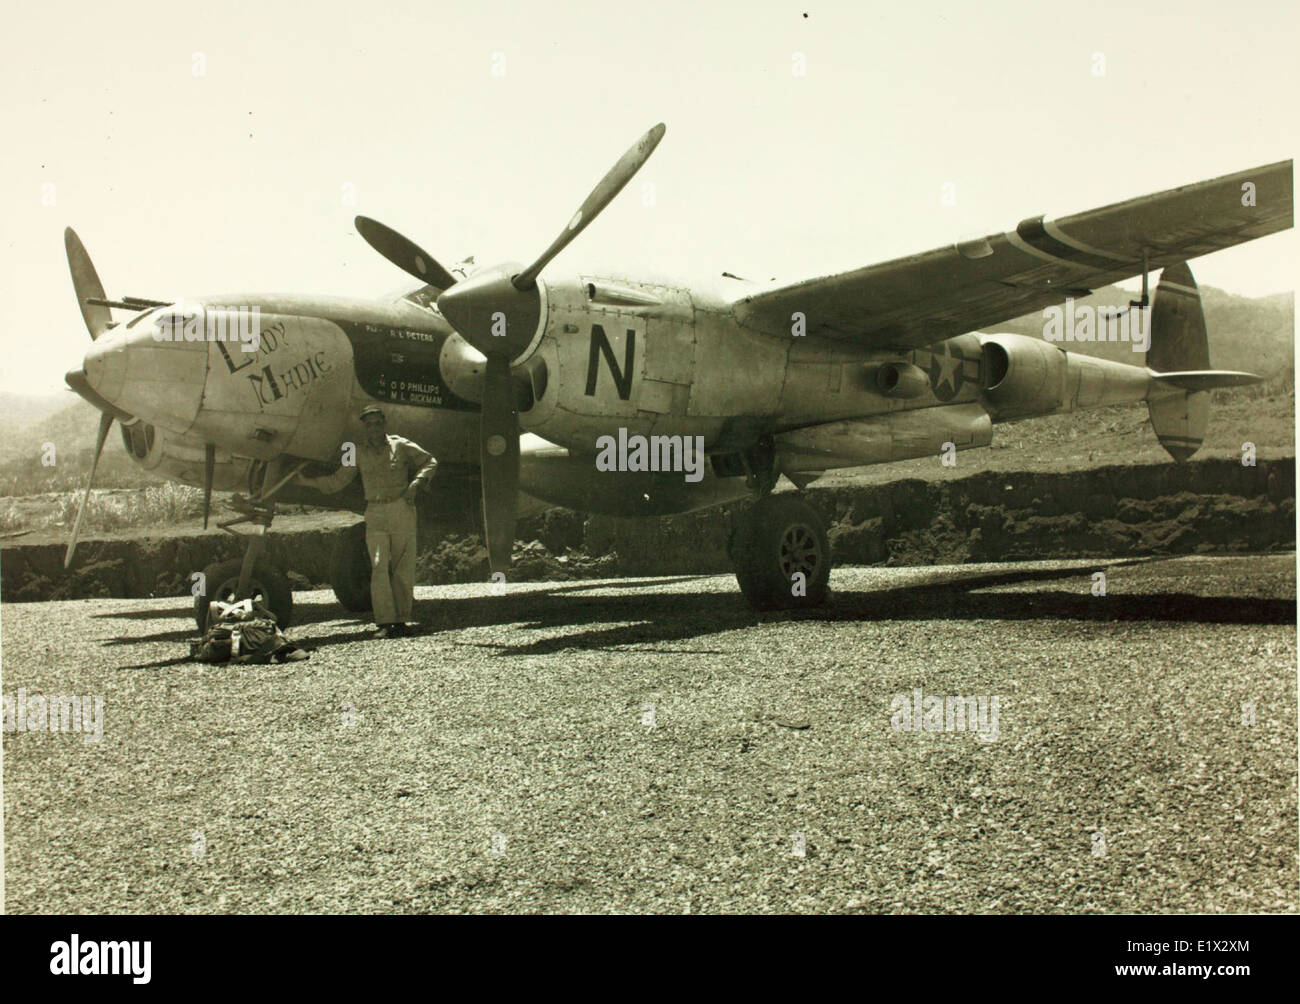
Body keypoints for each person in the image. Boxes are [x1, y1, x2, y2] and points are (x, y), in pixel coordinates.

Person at [298, 405, 437, 637]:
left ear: (384, 423)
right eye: (369, 424)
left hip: (401, 508)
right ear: (364, 427)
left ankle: (402, 621)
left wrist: (416, 483)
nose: (374, 427)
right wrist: (306, 483)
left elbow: (430, 461)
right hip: (375, 511)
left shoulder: (400, 445)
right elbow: (337, 480)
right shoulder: (355, 451)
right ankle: (384, 623)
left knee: (403, 566)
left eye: (377, 422)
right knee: (379, 565)